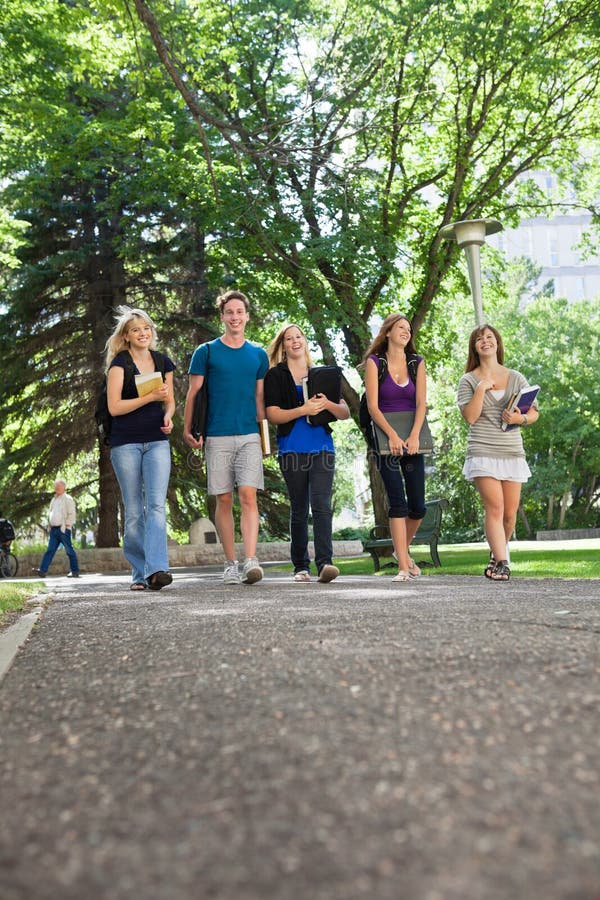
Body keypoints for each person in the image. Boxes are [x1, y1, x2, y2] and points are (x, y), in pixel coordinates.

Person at [183, 290, 269, 586]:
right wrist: (188, 429)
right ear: (222, 316)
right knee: (224, 498)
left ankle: (251, 561)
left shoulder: (258, 354)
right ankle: (230, 563)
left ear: (246, 316)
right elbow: (193, 394)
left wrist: (265, 438)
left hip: (249, 435)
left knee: (248, 496)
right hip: (216, 435)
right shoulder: (206, 352)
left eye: (239, 312)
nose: (234, 317)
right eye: (229, 312)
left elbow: (260, 398)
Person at [264, 324, 349, 583]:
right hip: (292, 449)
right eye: (289, 339)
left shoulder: (322, 374)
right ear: (283, 346)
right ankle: (301, 566)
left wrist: (327, 404)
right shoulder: (275, 376)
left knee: (322, 506)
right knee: (300, 508)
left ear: (305, 340)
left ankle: (325, 563)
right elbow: (272, 414)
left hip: (322, 447)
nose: (295, 341)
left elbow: (344, 412)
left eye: (298, 336)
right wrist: (304, 410)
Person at [457, 323, 539, 582]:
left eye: (489, 337)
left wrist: (520, 419)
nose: (485, 341)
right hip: (482, 448)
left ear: (497, 343)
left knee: (510, 513)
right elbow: (470, 417)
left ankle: (496, 554)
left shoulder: (516, 377)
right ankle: (503, 562)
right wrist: (481, 388)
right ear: (475, 346)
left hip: (512, 451)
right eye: (480, 338)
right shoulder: (468, 380)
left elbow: (534, 412)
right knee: (495, 507)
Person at [105, 306, 176, 591]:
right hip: (125, 443)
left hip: (157, 440)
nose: (142, 333)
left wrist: (169, 414)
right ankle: (138, 573)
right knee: (134, 510)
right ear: (126, 336)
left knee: (157, 506)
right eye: (136, 330)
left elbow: (169, 400)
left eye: (146, 328)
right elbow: (114, 407)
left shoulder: (162, 361)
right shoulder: (119, 364)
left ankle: (157, 570)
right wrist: (149, 399)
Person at [362, 314, 427, 582]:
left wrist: (413, 436)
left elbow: (421, 403)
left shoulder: (417, 363)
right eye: (400, 327)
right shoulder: (374, 363)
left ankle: (403, 551)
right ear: (387, 332)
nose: (406, 331)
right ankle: (402, 565)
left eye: (408, 329)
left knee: (418, 507)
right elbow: (373, 406)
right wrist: (391, 435)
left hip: (413, 437)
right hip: (384, 438)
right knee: (397, 502)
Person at [35, 479, 80, 578]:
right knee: (50, 550)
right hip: (54, 530)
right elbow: (51, 513)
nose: (56, 488)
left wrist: (67, 525)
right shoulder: (54, 499)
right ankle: (42, 571)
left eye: (58, 486)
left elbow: (72, 514)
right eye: (56, 486)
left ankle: (75, 571)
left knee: (69, 551)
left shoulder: (68, 499)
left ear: (64, 487)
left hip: (63, 529)